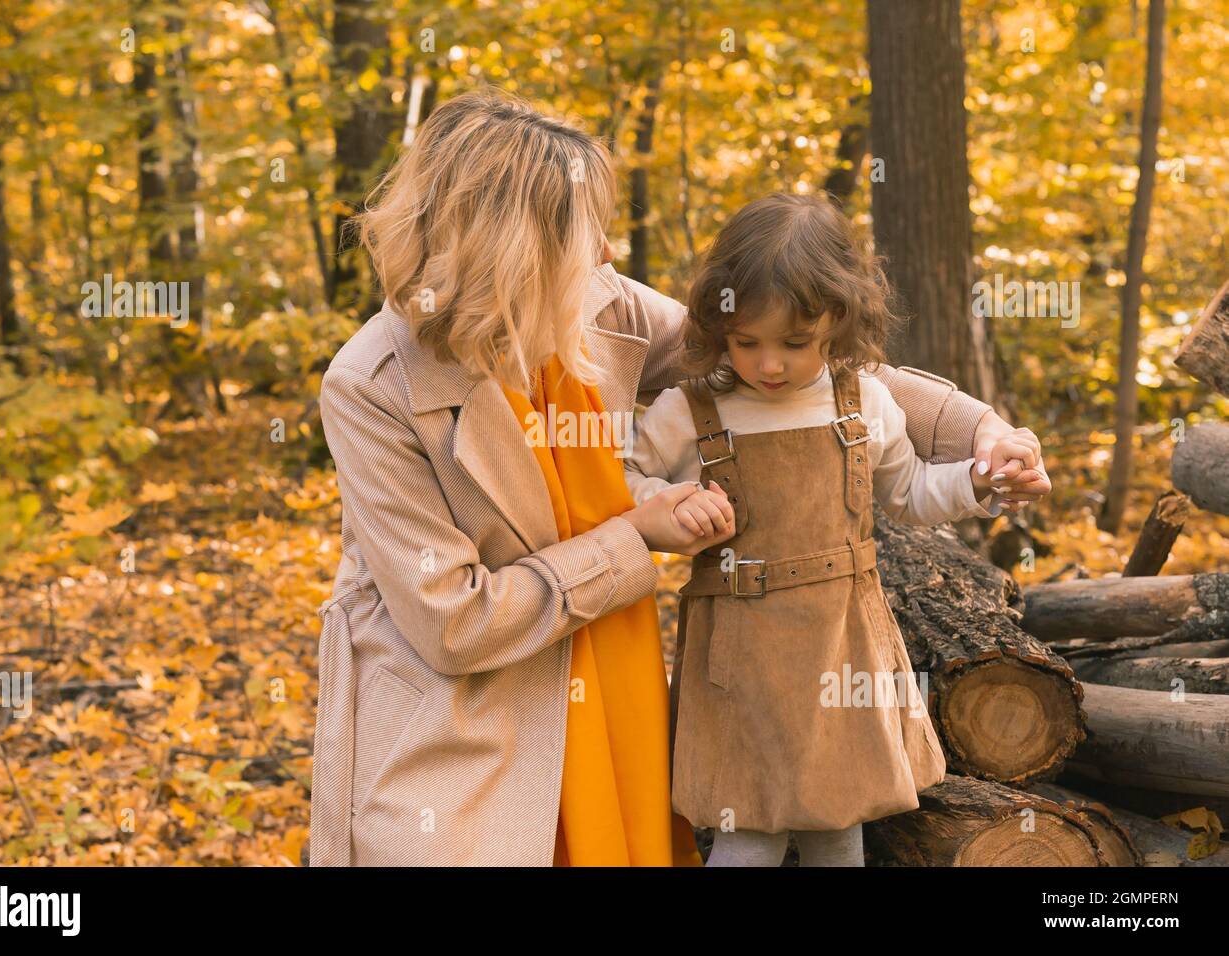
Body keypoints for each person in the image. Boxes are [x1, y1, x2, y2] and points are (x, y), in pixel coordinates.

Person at [310, 88, 1051, 866]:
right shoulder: (375, 386)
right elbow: (456, 623)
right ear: (512, 251)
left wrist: (983, 432)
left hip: (614, 675)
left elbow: (804, 369)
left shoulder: (602, 310)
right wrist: (634, 533)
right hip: (462, 720)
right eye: (584, 234)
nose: (604, 255)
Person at [622, 192, 1047, 867]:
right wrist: (666, 505)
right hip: (739, 654)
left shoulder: (864, 402)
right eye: (747, 341)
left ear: (837, 321)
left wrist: (977, 480)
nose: (768, 364)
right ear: (716, 321)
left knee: (837, 824)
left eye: (795, 343)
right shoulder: (688, 406)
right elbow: (626, 484)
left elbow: (907, 494)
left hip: (843, 643)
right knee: (748, 830)